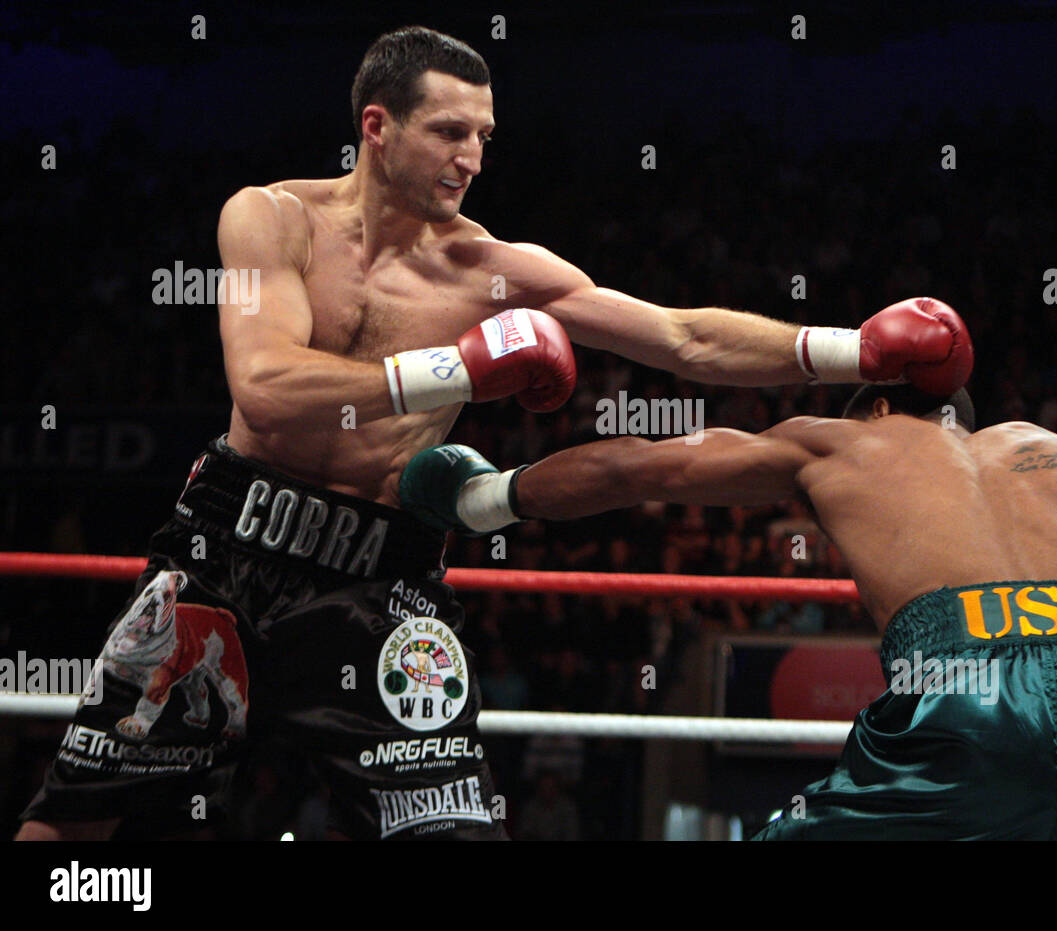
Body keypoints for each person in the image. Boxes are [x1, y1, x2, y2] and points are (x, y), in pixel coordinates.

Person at [17, 25, 966, 841]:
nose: (471, 155)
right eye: (448, 131)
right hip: (227, 546)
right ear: (376, 128)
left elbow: (682, 336)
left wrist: (855, 349)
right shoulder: (272, 218)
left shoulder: (495, 268)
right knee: (81, 815)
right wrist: (463, 367)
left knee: (452, 827)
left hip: (380, 575)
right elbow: (264, 385)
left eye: (483, 135)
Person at [416, 363, 1057, 840]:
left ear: (881, 407)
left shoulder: (842, 441)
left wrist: (488, 497)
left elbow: (636, 466)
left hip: (964, 691)